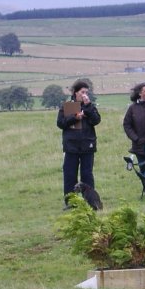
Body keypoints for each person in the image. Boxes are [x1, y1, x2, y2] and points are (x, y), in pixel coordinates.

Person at [57, 79, 102, 209]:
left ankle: (90, 202)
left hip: (88, 146)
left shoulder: (89, 106)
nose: (85, 95)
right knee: (70, 175)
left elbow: (96, 120)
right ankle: (71, 202)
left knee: (87, 175)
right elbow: (60, 123)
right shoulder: (68, 106)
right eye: (82, 92)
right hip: (71, 146)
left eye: (86, 92)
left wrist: (88, 107)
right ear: (75, 92)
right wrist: (74, 118)